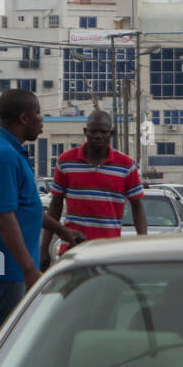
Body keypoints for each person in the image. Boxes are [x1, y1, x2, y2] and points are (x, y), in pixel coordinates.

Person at [0, 90, 75, 355]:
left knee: (11, 339)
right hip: (2, 262)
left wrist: (63, 231)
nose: (41, 121)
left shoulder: (9, 150)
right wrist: (29, 270)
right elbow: (5, 217)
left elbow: (27, 208)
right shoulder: (3, 156)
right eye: (39, 115)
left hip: (8, 261)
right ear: (24, 117)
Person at [43, 109, 146, 261]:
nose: (98, 136)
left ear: (111, 134)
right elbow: (55, 205)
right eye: (93, 131)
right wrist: (43, 248)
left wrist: (143, 245)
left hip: (110, 251)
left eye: (103, 132)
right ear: (85, 132)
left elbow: (137, 206)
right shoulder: (66, 162)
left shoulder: (126, 166)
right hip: (73, 249)